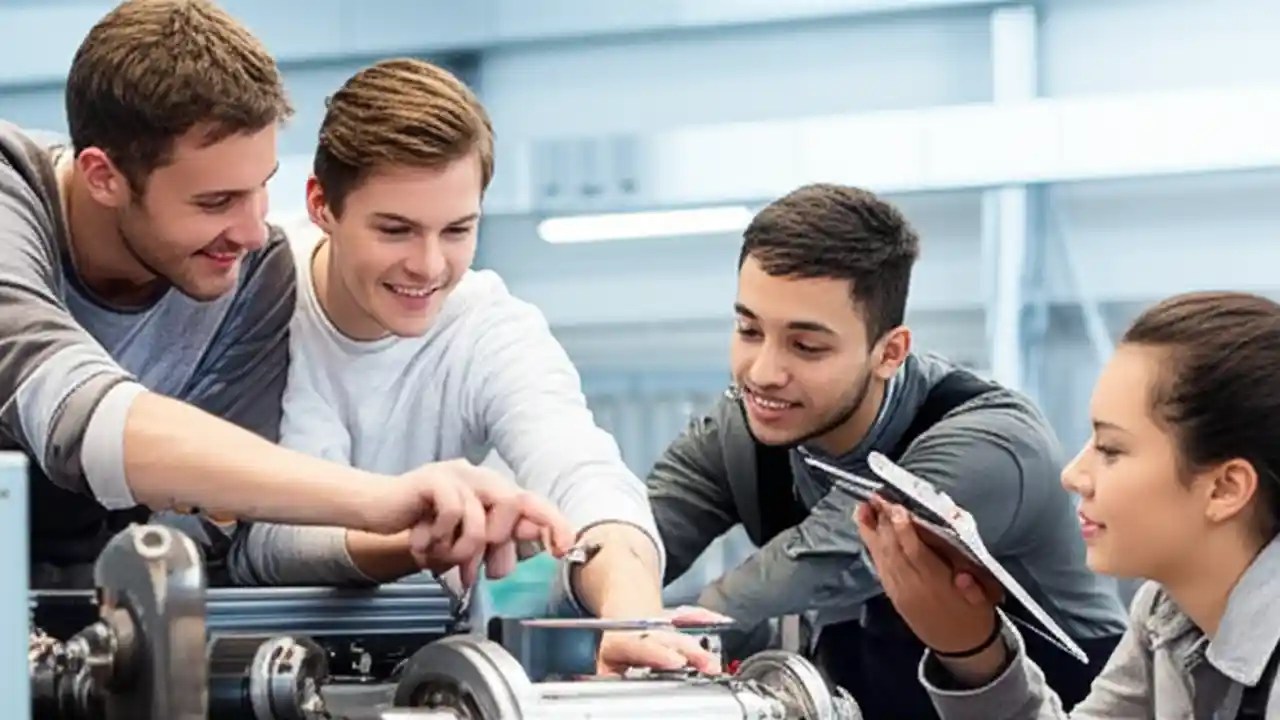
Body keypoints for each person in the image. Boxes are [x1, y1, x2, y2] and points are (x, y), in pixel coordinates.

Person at [0, 0, 573, 590]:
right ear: (104, 178)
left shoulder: (255, 277)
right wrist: (380, 499)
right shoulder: (10, 197)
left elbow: (213, 528)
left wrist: (408, 537)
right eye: (215, 202)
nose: (252, 231)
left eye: (261, 189)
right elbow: (76, 418)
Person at [240, 57, 718, 676]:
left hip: (425, 668)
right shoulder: (251, 299)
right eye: (396, 230)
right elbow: (270, 544)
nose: (429, 265)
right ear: (320, 204)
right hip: (244, 664)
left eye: (458, 229)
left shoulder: (491, 327)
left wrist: (630, 615)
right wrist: (423, 533)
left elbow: (586, 474)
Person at [644, 183, 1128, 718]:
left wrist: (661, 640)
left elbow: (822, 560)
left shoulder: (990, 445)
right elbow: (633, 537)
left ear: (890, 352)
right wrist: (596, 576)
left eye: (806, 346)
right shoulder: (745, 430)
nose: (763, 372)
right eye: (748, 330)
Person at [857, 291, 1280, 719]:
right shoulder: (1165, 613)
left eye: (1111, 449)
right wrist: (970, 647)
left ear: (1225, 489)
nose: (1073, 475)